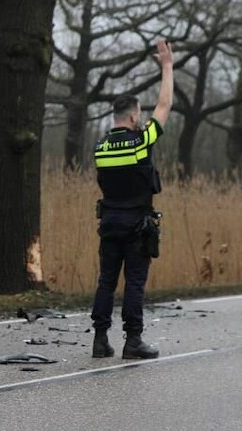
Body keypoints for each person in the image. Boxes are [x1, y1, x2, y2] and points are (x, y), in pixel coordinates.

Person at [90, 38, 174, 360]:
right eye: (140, 114)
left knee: (106, 281)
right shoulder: (140, 142)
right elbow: (164, 106)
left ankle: (100, 340)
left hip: (109, 221)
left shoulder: (99, 149)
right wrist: (167, 67)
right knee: (134, 283)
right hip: (137, 224)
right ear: (135, 116)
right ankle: (133, 341)